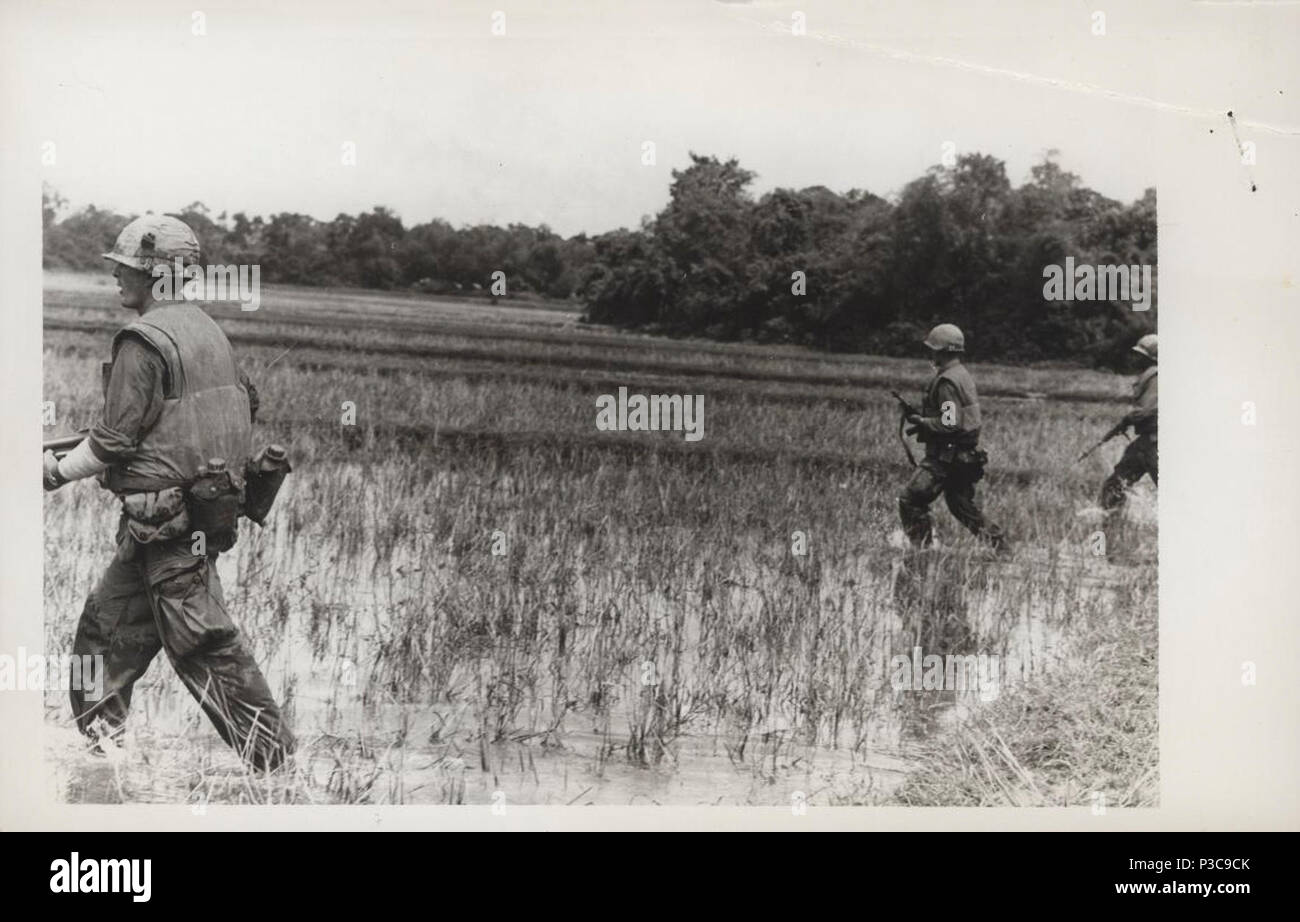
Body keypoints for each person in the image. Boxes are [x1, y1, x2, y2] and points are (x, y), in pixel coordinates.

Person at [43, 214, 294, 770]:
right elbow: (235, 406)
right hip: (168, 526)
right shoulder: (209, 331)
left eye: (126, 267)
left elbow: (112, 441)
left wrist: (53, 472)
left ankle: (278, 772)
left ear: (157, 275)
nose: (116, 276)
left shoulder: (143, 339)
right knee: (102, 637)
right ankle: (102, 764)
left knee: (204, 647)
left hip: (172, 529)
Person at [897, 323, 1009, 555]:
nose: (930, 353)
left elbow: (950, 423)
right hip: (962, 455)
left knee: (910, 500)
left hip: (945, 457)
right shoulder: (961, 374)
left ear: (941, 351)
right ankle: (1001, 548)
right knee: (962, 507)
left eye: (933, 349)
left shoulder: (947, 381)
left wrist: (921, 422)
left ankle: (922, 551)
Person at [1099, 333, 1158, 514]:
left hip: (1156, 442)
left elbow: (1146, 409)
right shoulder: (1153, 376)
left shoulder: (1157, 377)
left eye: (1140, 355)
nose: (1135, 358)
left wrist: (1127, 420)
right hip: (1146, 442)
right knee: (1116, 484)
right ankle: (1109, 518)